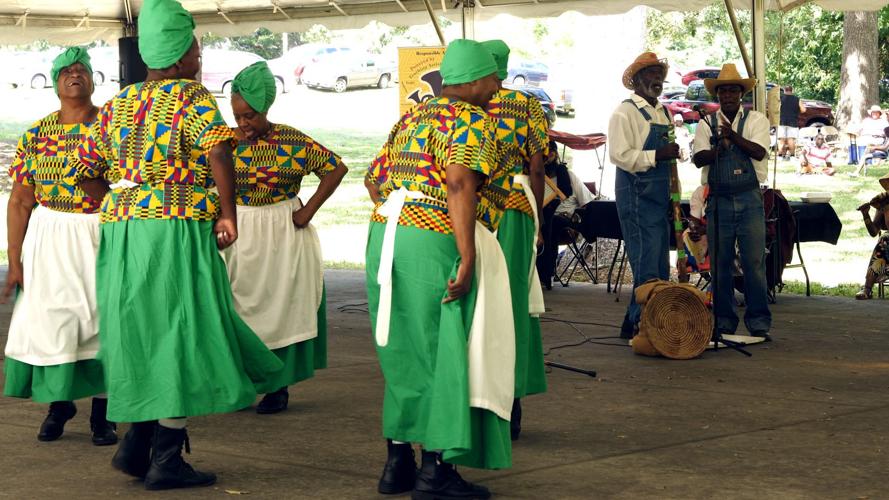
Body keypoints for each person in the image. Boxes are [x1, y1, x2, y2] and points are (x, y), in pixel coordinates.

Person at [68, 0, 282, 490]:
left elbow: (83, 173)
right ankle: (166, 458)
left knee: (141, 332)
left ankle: (137, 442)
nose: (199, 57)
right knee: (183, 330)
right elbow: (219, 151)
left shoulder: (119, 103)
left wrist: (123, 203)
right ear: (181, 54)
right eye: (196, 49)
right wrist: (228, 213)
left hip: (124, 231)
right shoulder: (191, 96)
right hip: (175, 227)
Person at [364, 39, 510, 499]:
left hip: (386, 234)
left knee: (401, 349)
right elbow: (459, 183)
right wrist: (467, 254)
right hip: (431, 238)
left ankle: (397, 464)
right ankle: (435, 471)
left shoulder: (412, 118)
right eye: (492, 77)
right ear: (473, 79)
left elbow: (373, 179)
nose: (497, 85)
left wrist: (403, 212)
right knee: (441, 350)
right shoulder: (471, 119)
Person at [2, 47, 117, 446]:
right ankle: (60, 404)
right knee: (57, 321)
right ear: (55, 82)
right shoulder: (37, 134)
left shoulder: (112, 126)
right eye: (65, 70)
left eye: (81, 69)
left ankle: (104, 413)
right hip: (50, 234)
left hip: (102, 230)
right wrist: (14, 259)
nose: (74, 74)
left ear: (93, 79)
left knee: (103, 319)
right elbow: (20, 200)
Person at [223, 61, 347, 414]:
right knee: (238, 308)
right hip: (239, 230)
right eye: (237, 116)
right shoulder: (224, 143)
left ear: (266, 108)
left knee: (281, 308)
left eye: (250, 116)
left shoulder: (292, 140)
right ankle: (243, 383)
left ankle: (278, 387)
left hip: (282, 232)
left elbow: (336, 168)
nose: (243, 123)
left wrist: (308, 211)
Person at [480, 39, 548, 442]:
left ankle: (477, 396)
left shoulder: (461, 106)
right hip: (515, 207)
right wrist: (538, 223)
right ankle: (513, 399)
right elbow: (537, 167)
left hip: (471, 206)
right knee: (514, 303)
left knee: (476, 301)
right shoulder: (525, 105)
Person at [692, 63, 772, 340]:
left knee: (754, 262)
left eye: (732, 91)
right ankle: (724, 321)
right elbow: (698, 158)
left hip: (749, 196)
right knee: (720, 263)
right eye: (723, 91)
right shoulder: (705, 123)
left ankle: (758, 321)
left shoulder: (756, 120)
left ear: (741, 94)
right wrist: (718, 148)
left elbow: (759, 152)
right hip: (719, 199)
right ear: (717, 95)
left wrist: (732, 137)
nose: (727, 95)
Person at [607, 52, 681, 339]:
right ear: (637, 79)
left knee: (659, 264)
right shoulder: (624, 112)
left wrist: (675, 193)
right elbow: (619, 155)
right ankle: (643, 327)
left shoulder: (663, 112)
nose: (657, 78)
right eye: (651, 73)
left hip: (660, 196)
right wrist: (657, 154)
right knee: (646, 262)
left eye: (659, 74)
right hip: (636, 194)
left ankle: (635, 322)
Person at [854, 175, 889, 300]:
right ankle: (867, 288)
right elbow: (874, 231)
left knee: (885, 239)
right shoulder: (884, 201)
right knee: (884, 240)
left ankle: (867, 288)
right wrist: (866, 215)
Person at [777, 86, 806, 160]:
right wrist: (797, 110)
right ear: (792, 91)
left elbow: (776, 109)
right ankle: (792, 156)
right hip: (793, 121)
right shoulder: (797, 99)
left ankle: (780, 156)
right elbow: (803, 110)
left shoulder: (780, 98)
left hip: (781, 121)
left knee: (781, 140)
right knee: (791, 139)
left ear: (784, 90)